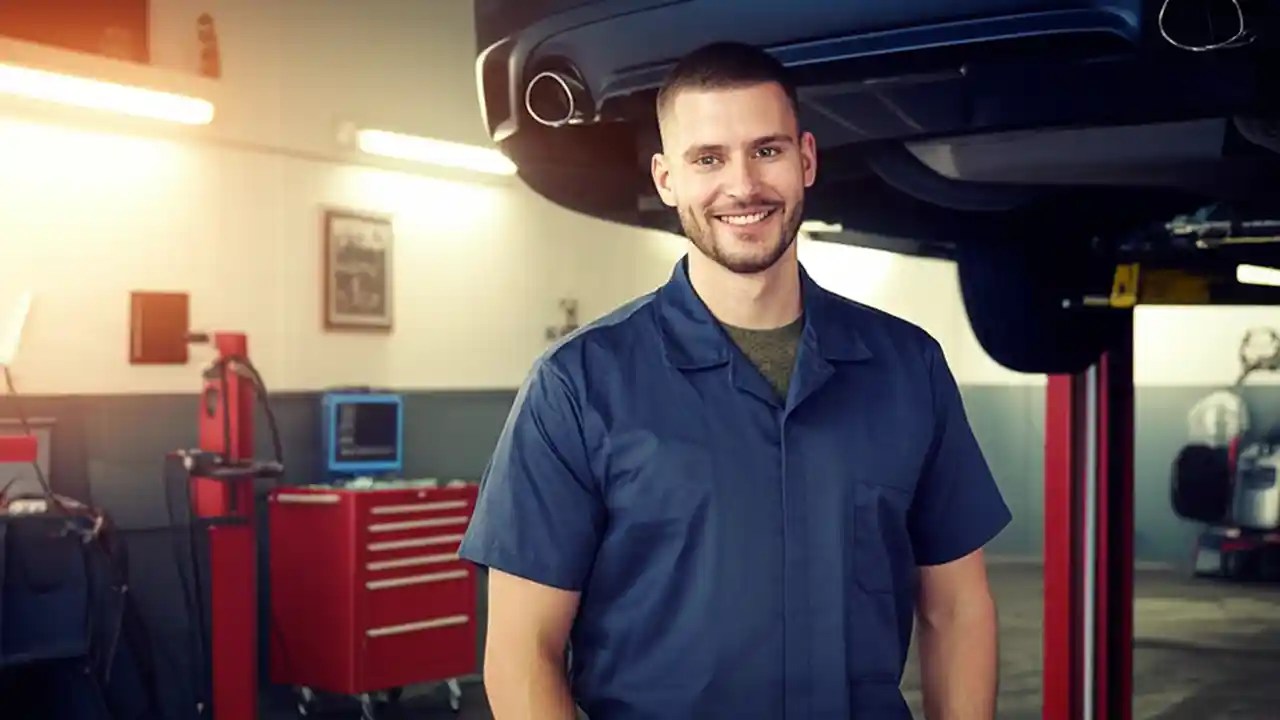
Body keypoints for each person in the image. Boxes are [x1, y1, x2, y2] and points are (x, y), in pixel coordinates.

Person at [458, 40, 1011, 720]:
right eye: (708, 158)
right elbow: (521, 656)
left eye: (767, 151)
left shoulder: (907, 369)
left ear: (806, 159)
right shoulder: (578, 388)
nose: (742, 185)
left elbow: (956, 609)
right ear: (667, 178)